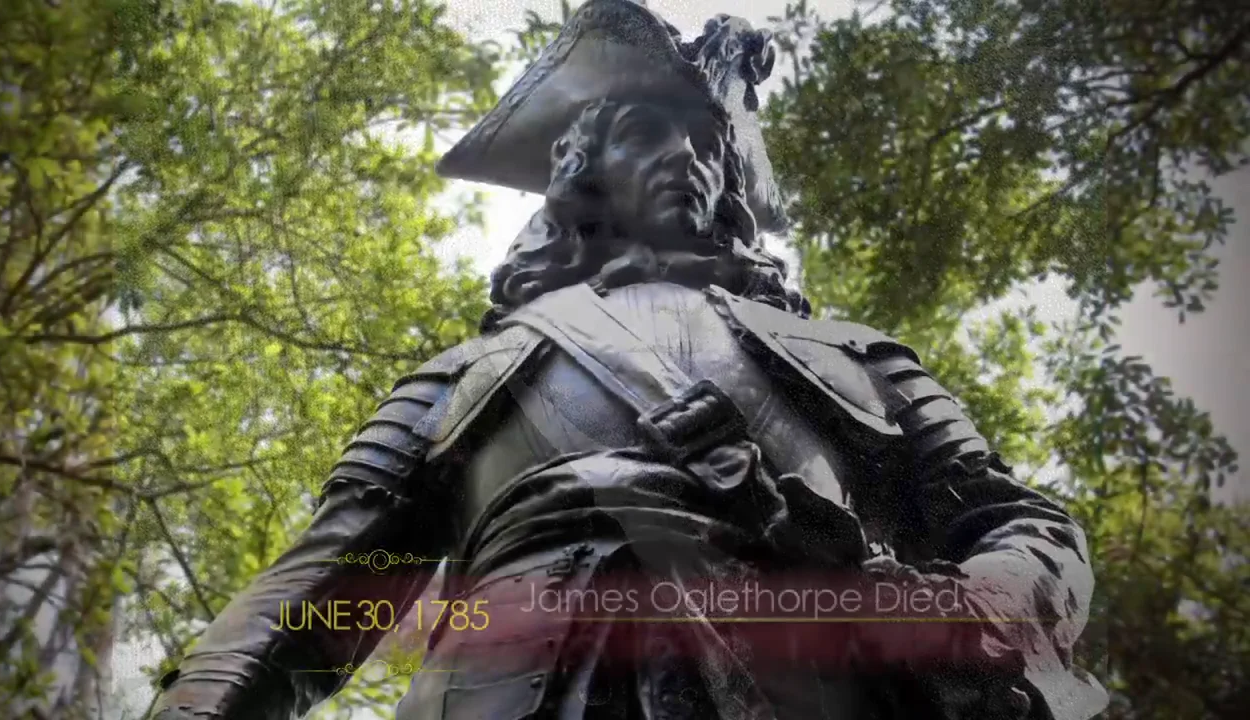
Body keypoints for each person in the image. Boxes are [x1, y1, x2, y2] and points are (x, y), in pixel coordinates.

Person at [150, 2, 1107, 718]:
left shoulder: (858, 359)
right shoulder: (463, 375)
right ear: (583, 168)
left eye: (708, 144)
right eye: (648, 132)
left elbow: (1023, 525)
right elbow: (326, 593)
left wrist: (952, 607)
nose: (687, 159)